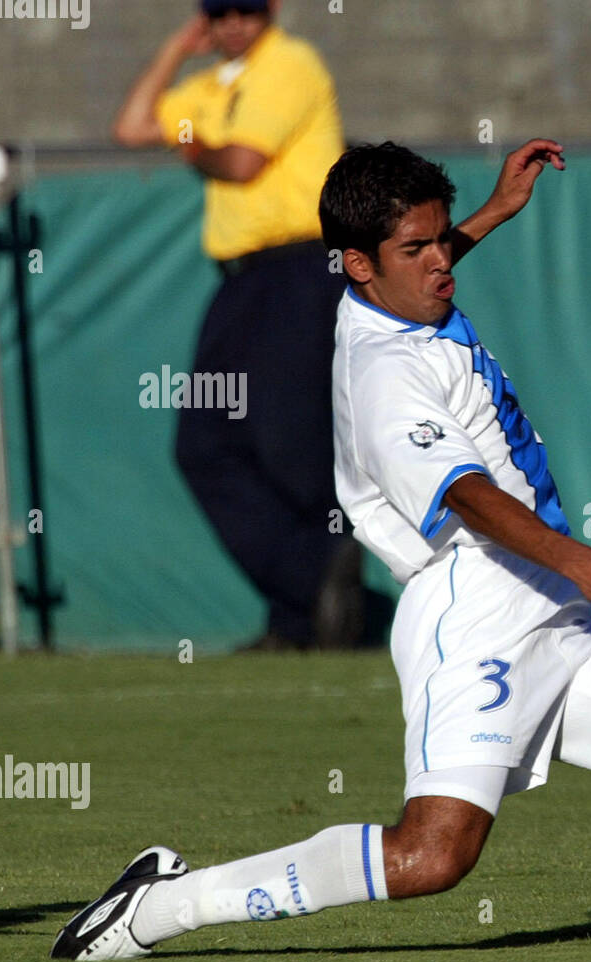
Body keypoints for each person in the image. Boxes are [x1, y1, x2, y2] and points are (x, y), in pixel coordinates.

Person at [51, 140, 591, 962]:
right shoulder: (385, 374)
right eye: (419, 248)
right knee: (430, 857)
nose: (442, 263)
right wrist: (581, 561)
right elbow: (467, 496)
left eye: (441, 239)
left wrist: (491, 213)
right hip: (474, 617)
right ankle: (160, 907)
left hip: (552, 619)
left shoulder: (389, 293)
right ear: (358, 264)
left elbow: (417, 260)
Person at [112, 0, 366, 649]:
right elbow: (132, 125)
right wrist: (176, 48)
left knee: (290, 442)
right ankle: (314, 596)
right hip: (241, 280)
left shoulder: (290, 62)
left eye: (247, 8)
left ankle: (308, 613)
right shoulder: (206, 85)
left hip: (304, 268)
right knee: (204, 445)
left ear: (271, 11)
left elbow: (241, 163)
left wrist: (191, 141)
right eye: (218, 10)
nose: (234, 22)